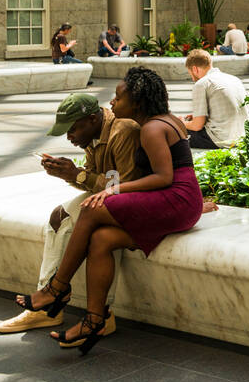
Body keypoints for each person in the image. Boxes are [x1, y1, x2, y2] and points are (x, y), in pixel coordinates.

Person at [13, 65, 205, 356]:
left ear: (137, 102)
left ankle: (56, 289)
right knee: (101, 239)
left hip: (176, 199)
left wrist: (112, 190)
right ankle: (94, 321)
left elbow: (164, 177)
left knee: (91, 210)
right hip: (178, 198)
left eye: (118, 98)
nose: (112, 103)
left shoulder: (152, 128)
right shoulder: (160, 121)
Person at [0, 92, 143, 335]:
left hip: (135, 202)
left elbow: (124, 188)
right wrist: (69, 174)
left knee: (101, 230)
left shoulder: (123, 131)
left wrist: (78, 175)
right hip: (113, 199)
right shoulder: (93, 137)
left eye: (73, 129)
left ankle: (99, 313)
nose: (70, 137)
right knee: (59, 217)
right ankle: (46, 305)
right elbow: (97, 180)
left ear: (93, 119)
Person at [182, 49, 247, 150]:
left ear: (195, 69)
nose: (192, 77)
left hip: (219, 140)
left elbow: (197, 126)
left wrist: (182, 123)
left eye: (190, 73)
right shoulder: (234, 79)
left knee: (174, 130)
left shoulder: (202, 83)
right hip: (240, 137)